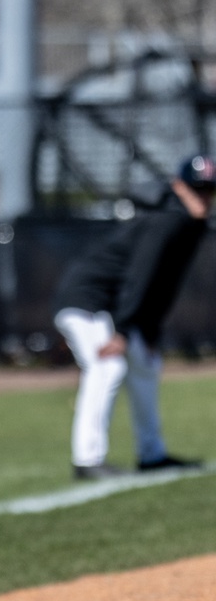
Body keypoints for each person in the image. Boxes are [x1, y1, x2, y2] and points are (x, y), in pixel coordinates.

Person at [52, 155, 215, 479]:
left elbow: (163, 285)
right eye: (196, 190)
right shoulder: (167, 221)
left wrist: (148, 333)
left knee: (146, 365)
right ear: (178, 188)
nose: (204, 198)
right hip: (86, 301)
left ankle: (152, 455)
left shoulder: (190, 226)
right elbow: (139, 277)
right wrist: (124, 331)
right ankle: (87, 460)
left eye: (209, 191)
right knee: (107, 366)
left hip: (114, 310)